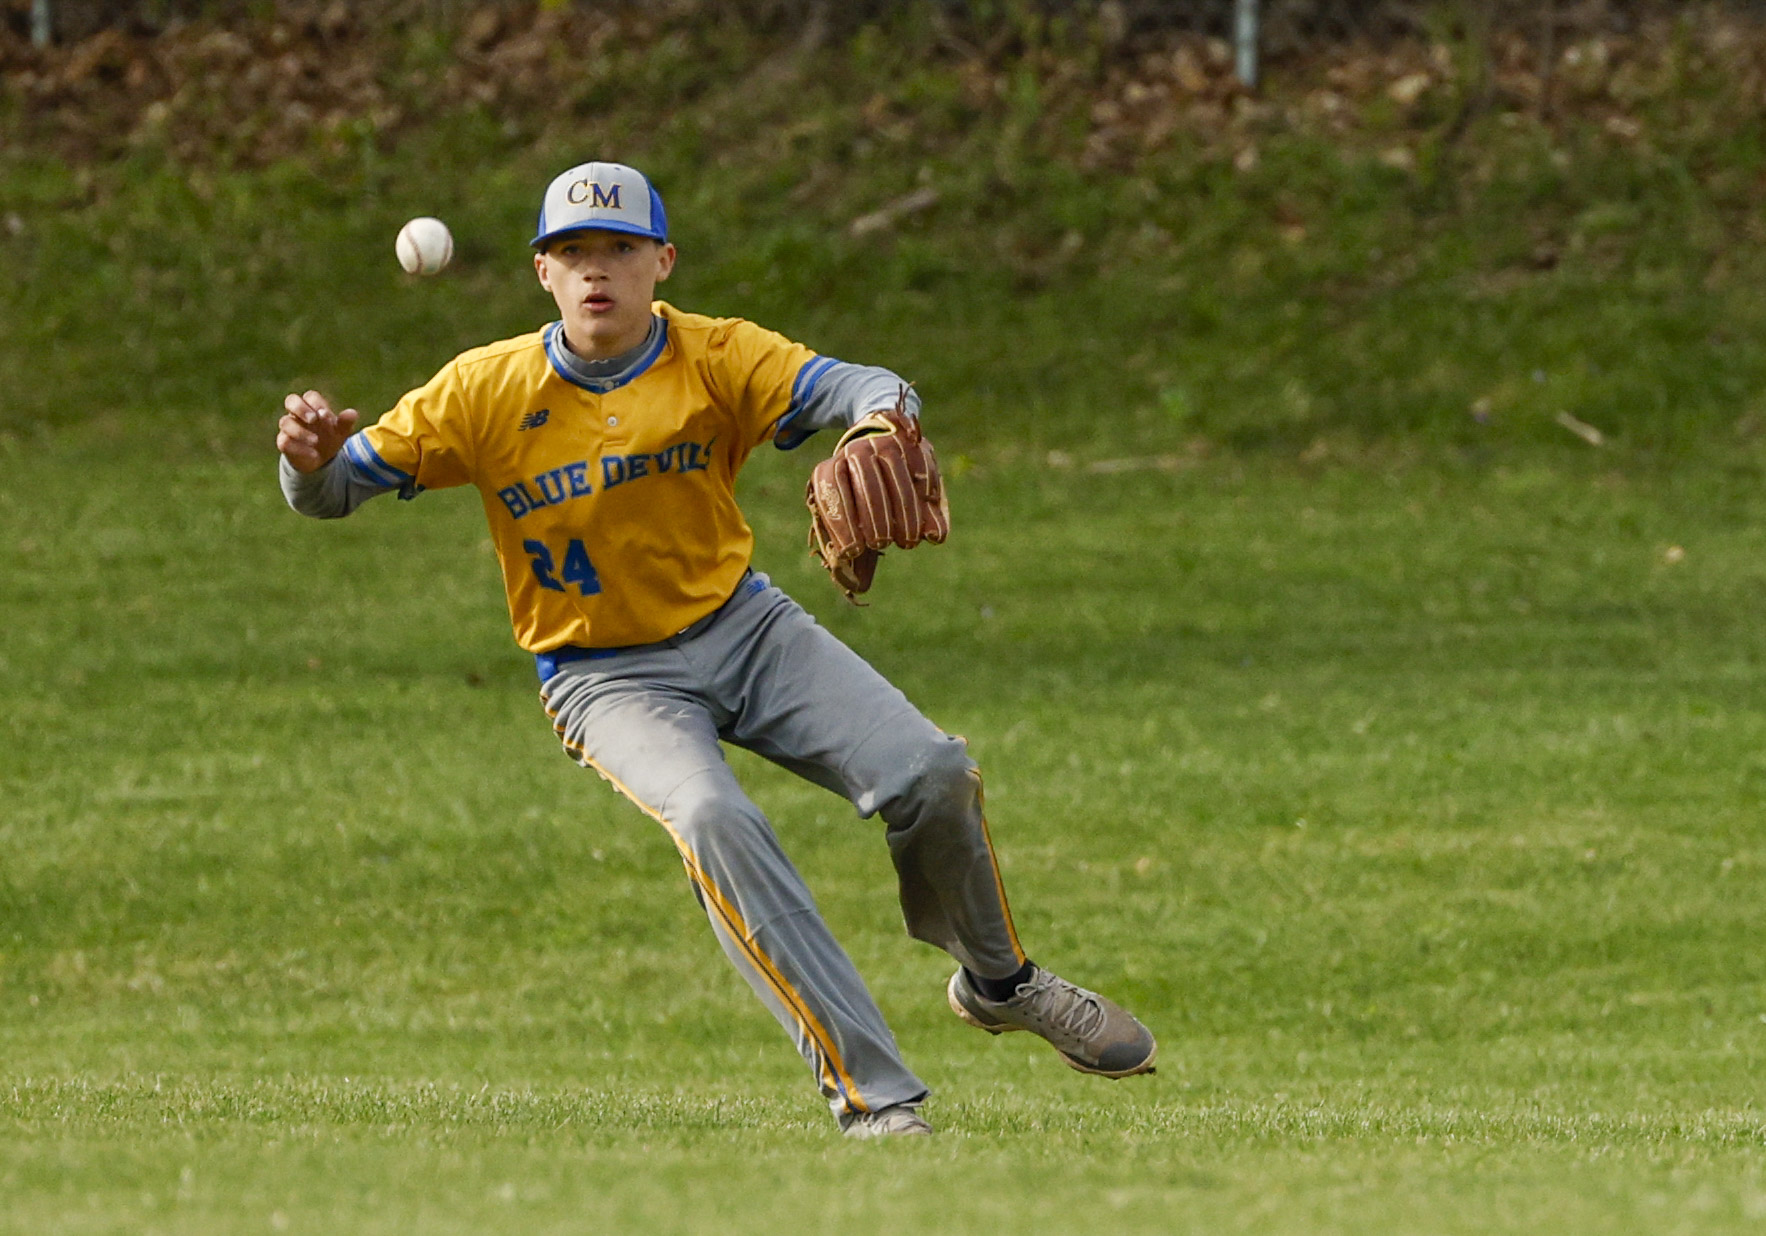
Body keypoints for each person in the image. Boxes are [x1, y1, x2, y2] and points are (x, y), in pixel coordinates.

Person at [275, 160, 1156, 1138]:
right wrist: (302, 459)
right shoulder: (484, 392)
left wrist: (877, 419)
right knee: (710, 816)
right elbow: (329, 491)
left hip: (745, 629)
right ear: (542, 274)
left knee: (930, 770)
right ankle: (874, 1099)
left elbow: (869, 382)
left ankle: (1000, 983)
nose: (595, 271)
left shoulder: (714, 355)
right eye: (572, 253)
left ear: (662, 261)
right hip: (603, 675)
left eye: (616, 248)